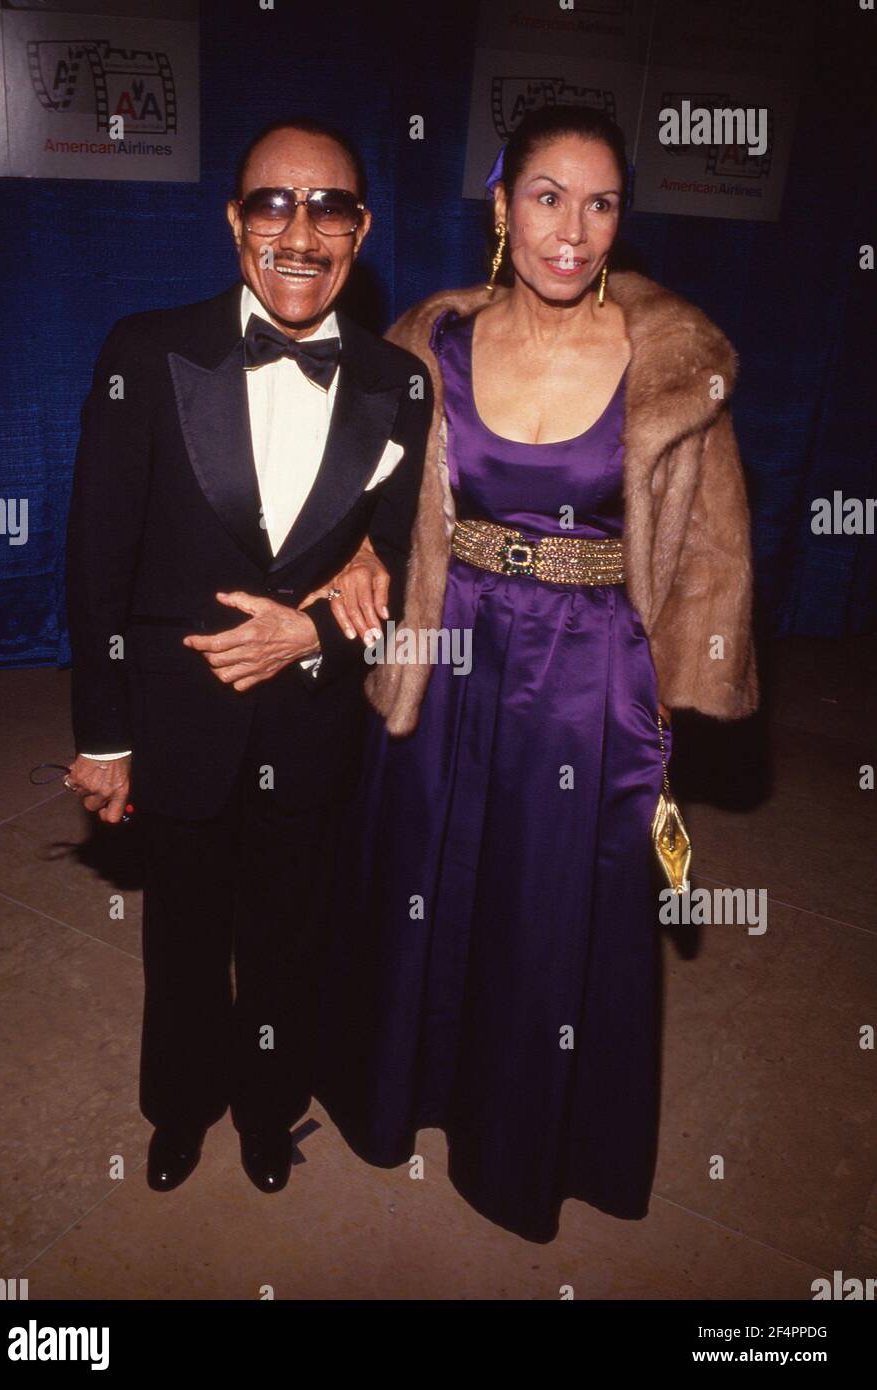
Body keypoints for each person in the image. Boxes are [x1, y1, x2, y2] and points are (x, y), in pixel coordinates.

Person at [315, 105, 758, 1243]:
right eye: (548, 197)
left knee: (550, 906)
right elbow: (366, 484)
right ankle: (399, 1093)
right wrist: (361, 547)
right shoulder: (431, 340)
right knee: (425, 873)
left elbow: (711, 545)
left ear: (621, 218)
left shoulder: (672, 359)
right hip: (447, 640)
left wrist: (683, 679)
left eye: (600, 201)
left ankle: (521, 1147)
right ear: (502, 207)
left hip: (587, 667)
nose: (573, 228)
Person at [63, 118, 432, 1196]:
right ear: (234, 219)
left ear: (360, 231)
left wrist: (309, 630)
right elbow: (97, 561)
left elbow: (414, 561)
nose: (302, 231)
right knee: (180, 934)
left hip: (314, 723)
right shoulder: (145, 350)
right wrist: (104, 734)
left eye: (330, 207)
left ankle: (269, 1113)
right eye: (275, 202)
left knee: (289, 934)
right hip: (177, 718)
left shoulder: (399, 383)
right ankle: (180, 1107)